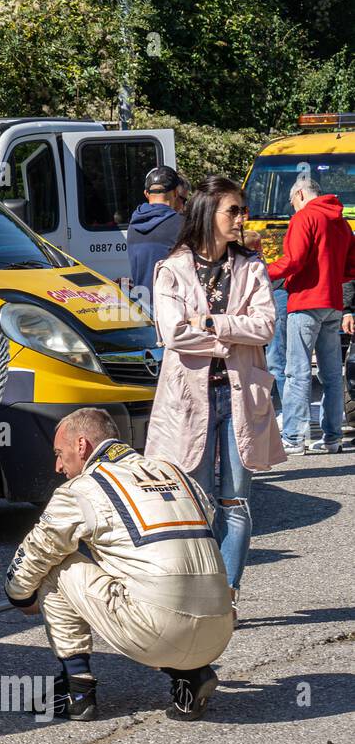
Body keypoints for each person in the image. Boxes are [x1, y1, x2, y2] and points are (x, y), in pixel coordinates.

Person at [5, 408, 234, 722]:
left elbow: (36, 553)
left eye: (60, 453)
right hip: (219, 629)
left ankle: (77, 691)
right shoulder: (175, 472)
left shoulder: (83, 488)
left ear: (82, 446)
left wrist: (20, 595)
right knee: (159, 574)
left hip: (157, 629)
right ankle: (191, 676)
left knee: (53, 566)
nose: (58, 466)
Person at [144, 175, 285, 614]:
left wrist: (211, 324)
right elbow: (173, 334)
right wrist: (229, 334)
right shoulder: (172, 268)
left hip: (241, 397)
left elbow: (265, 326)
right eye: (234, 210)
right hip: (192, 399)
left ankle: (227, 596)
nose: (242, 218)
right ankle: (203, 595)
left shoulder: (251, 266)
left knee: (237, 500)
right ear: (208, 213)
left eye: (241, 210)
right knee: (200, 503)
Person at [268, 175, 355, 453]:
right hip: (332, 303)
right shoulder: (341, 222)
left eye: (293, 201)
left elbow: (293, 260)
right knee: (331, 374)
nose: (293, 207)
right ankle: (332, 438)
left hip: (305, 301)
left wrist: (262, 271)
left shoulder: (304, 218)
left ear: (301, 195)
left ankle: (293, 438)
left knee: (297, 372)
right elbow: (351, 267)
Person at [127, 166, 187, 308]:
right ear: (175, 192)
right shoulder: (181, 224)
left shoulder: (133, 225)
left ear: (146, 194)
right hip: (171, 309)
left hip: (143, 307)